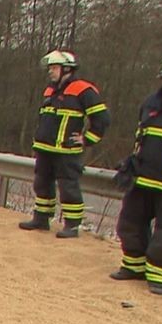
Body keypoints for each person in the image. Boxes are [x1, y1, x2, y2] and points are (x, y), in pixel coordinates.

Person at [111, 52, 162, 295]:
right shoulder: (150, 103)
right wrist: (130, 163)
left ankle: (161, 277)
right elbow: (141, 138)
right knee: (129, 225)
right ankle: (134, 267)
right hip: (142, 180)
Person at [18, 50, 110, 238]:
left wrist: (87, 139)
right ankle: (41, 218)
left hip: (66, 151)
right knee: (42, 184)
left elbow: (102, 118)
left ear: (67, 69)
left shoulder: (83, 90)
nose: (50, 72)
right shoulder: (50, 90)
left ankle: (72, 225)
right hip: (45, 149)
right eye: (50, 68)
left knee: (68, 187)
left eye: (54, 68)